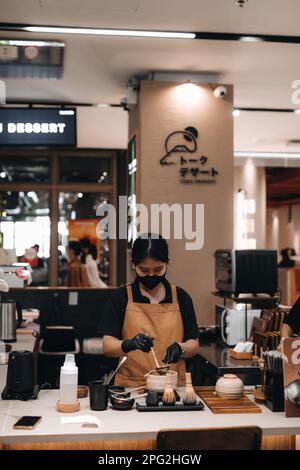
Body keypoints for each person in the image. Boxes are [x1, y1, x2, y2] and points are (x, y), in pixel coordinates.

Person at [99, 233, 200, 387]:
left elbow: (194, 344)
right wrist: (129, 344)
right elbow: (107, 346)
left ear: (168, 263)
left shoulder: (181, 297)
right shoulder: (120, 297)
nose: (151, 275)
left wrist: (181, 347)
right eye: (144, 270)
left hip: (171, 388)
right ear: (133, 264)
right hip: (132, 387)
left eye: (158, 269)